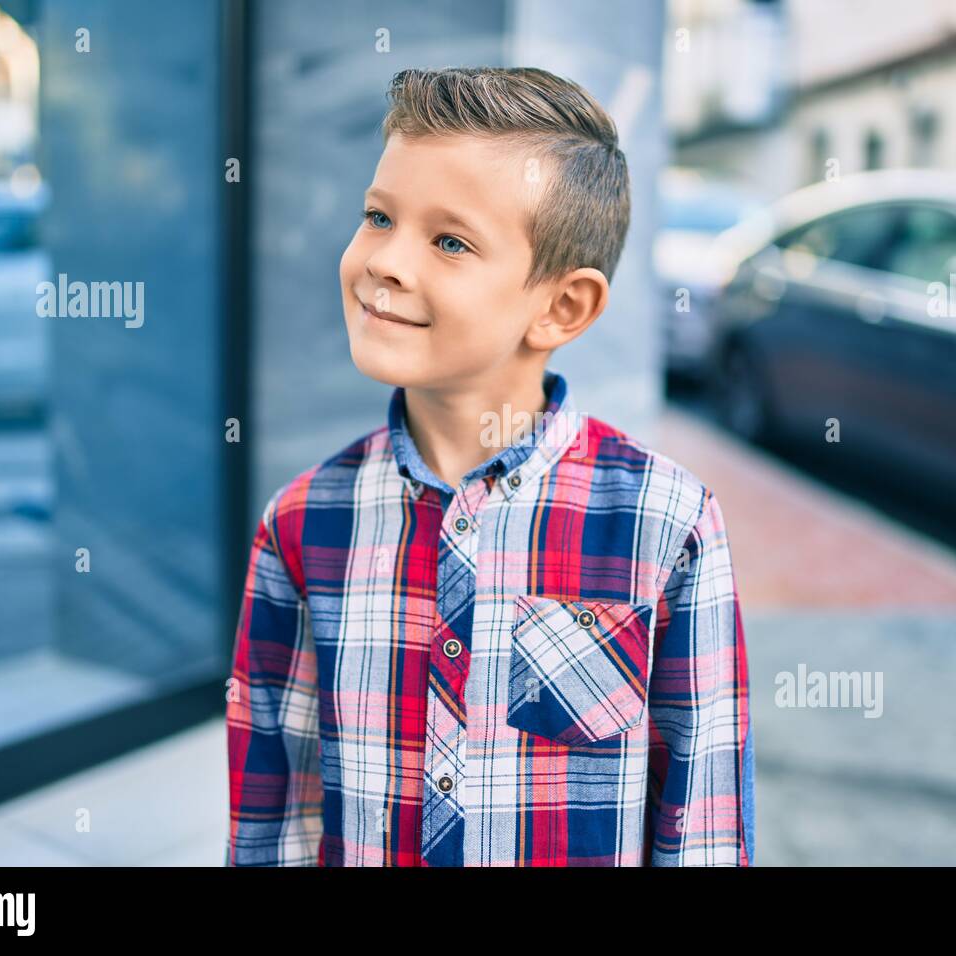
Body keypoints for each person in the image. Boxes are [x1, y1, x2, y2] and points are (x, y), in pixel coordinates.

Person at [226, 66, 753, 866]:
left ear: (560, 307)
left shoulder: (666, 524)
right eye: (378, 217)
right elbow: (274, 815)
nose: (386, 263)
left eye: (449, 241)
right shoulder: (300, 525)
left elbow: (703, 821)